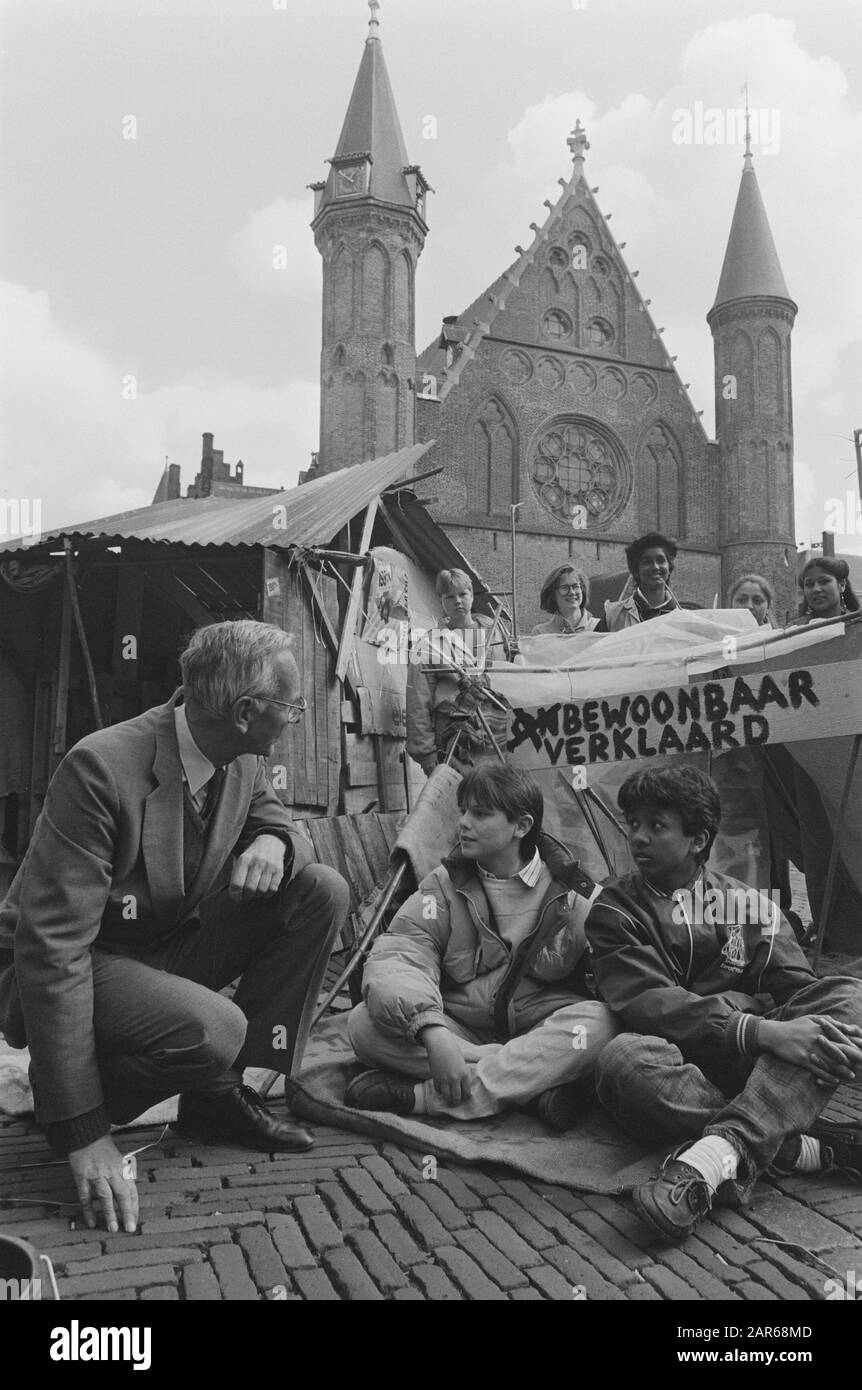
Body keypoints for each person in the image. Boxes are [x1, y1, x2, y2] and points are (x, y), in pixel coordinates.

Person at [0, 620, 350, 1234]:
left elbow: (285, 826)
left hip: (159, 946)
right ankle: (75, 1096)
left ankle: (217, 1099)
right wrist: (84, 1134)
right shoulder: (101, 768)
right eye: (290, 707)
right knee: (215, 1027)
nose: (295, 718)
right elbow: (53, 949)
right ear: (244, 712)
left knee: (321, 889)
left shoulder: (236, 756)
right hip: (83, 961)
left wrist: (273, 841)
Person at [585, 764, 862, 1244]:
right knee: (622, 1061)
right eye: (633, 823)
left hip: (751, 1067)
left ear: (697, 839)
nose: (638, 838)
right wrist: (762, 1030)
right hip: (673, 1068)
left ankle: (708, 1159)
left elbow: (799, 989)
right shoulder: (614, 908)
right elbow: (651, 1004)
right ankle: (794, 1146)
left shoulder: (746, 904)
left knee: (849, 998)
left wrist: (805, 1026)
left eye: (657, 825)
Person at [343, 764, 617, 1131]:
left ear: (521, 826)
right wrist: (432, 1031)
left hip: (538, 1028)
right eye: (463, 811)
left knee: (599, 1024)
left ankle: (426, 1098)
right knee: (362, 1025)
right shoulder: (442, 885)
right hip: (461, 1029)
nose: (463, 824)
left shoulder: (574, 892)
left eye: (481, 814)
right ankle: (535, 1084)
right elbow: (401, 955)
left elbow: (617, 968)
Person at [406, 567, 508, 777]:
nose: (457, 601)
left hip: (495, 736)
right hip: (452, 739)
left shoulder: (494, 634)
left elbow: (512, 682)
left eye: (463, 594)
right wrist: (426, 754)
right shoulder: (429, 643)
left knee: (496, 803)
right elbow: (418, 700)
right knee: (458, 804)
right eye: (449, 596)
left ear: (472, 595)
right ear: (441, 601)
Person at [596, 531, 681, 632]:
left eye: (660, 560)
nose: (655, 567)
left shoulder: (684, 619)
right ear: (636, 571)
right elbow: (596, 647)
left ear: (669, 567)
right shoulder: (613, 616)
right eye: (647, 562)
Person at [790, 555, 860, 625]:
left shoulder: (857, 624)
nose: (816, 589)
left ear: (842, 585)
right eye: (809, 584)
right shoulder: (793, 631)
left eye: (824, 582)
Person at [532, 564, 599, 636]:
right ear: (552, 595)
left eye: (576, 586)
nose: (572, 592)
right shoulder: (541, 633)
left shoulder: (599, 627)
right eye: (564, 588)